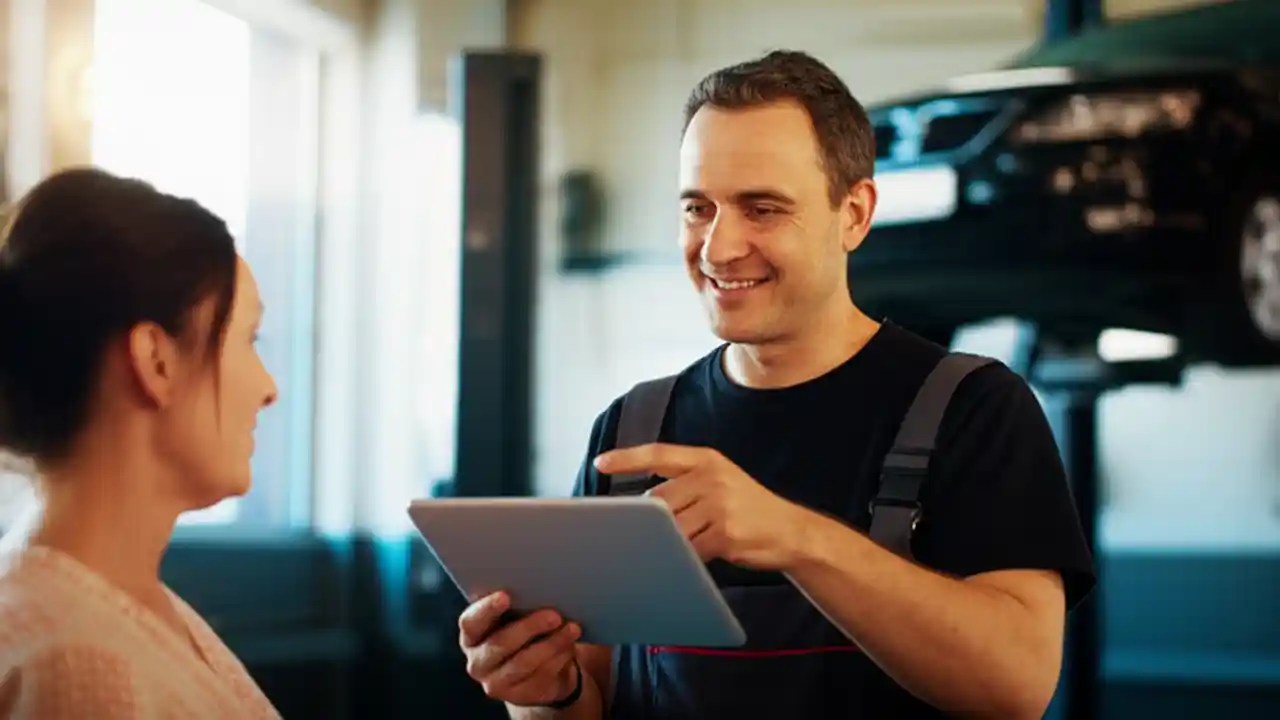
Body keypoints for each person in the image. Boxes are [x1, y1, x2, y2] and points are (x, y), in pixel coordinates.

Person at [456, 50, 1097, 719]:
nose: (717, 248)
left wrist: (794, 537)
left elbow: (1017, 686)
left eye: (761, 208)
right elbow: (587, 698)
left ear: (854, 214)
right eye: (698, 208)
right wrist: (543, 690)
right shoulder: (632, 430)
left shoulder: (972, 409)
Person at [0, 168, 281, 718]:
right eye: (249, 339)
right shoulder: (79, 665)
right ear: (155, 360)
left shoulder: (120, 606)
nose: (268, 388)